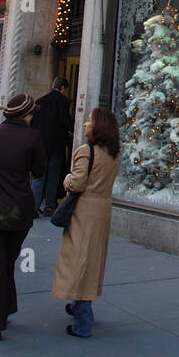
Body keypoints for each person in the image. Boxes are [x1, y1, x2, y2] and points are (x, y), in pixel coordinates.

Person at [0, 93, 45, 343]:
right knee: (7, 260)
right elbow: (39, 171)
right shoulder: (33, 137)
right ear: (25, 114)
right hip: (18, 209)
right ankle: (3, 310)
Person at [51, 108, 120, 339]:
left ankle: (83, 315)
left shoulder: (86, 152)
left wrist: (67, 178)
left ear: (97, 126)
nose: (84, 124)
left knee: (78, 258)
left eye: (89, 121)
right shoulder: (113, 154)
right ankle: (81, 301)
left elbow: (77, 183)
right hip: (102, 210)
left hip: (84, 211)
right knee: (91, 259)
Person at [31, 76, 71, 215]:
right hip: (56, 145)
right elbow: (64, 121)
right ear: (63, 88)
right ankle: (49, 206)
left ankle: (33, 207)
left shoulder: (40, 101)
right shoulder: (63, 101)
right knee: (53, 177)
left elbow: (33, 123)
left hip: (41, 144)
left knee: (38, 176)